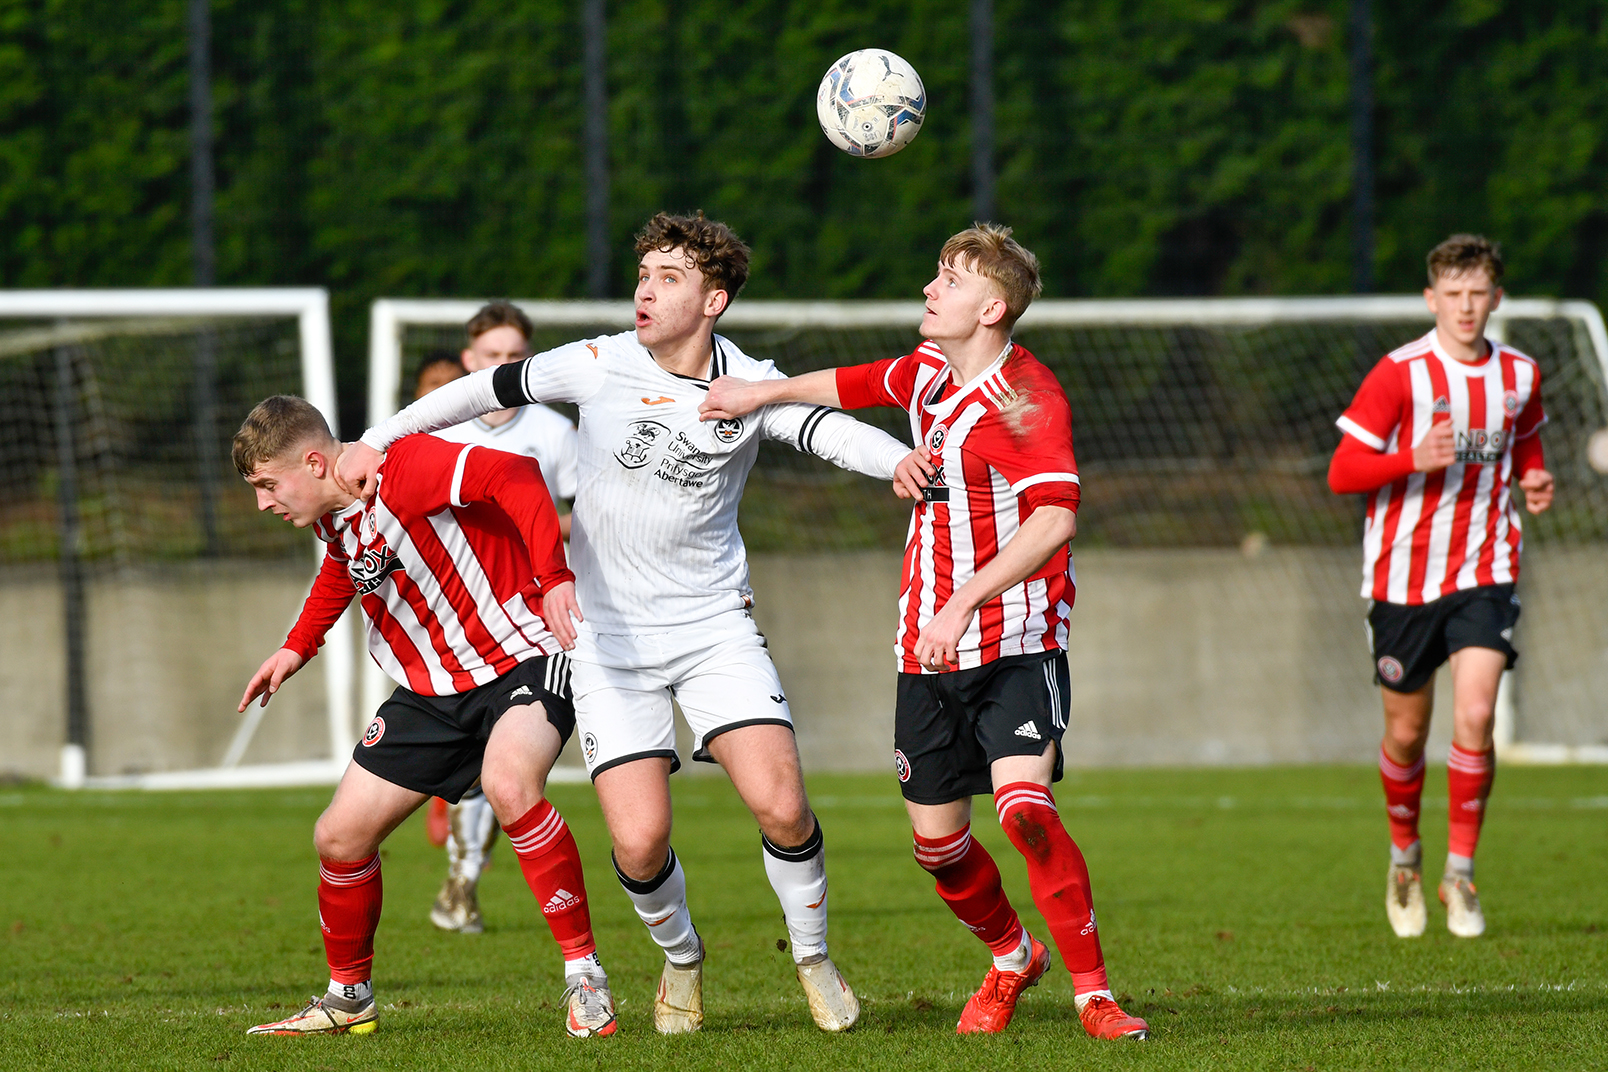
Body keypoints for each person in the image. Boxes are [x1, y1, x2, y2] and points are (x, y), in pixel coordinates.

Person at [337, 212, 923, 1034]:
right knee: (642, 845)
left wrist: (894, 458)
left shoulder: (748, 382)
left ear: (714, 299)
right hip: (607, 645)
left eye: (670, 278)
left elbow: (820, 428)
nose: (646, 290)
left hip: (715, 626)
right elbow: (483, 390)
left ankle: (813, 956)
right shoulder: (599, 363)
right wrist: (376, 437)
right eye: (643, 273)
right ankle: (682, 960)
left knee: (782, 805)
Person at [698, 223, 1149, 1041]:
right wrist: (755, 396)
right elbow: (849, 383)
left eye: (949, 278)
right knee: (939, 853)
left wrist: (965, 602)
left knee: (1025, 812)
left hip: (1014, 642)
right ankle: (1013, 957)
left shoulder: (1028, 398)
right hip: (925, 651)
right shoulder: (930, 374)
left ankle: (1095, 996)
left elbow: (1053, 521)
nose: (929, 289)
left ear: (993, 306)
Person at [231, 396, 616, 1038]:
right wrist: (297, 646)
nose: (265, 503)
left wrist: (552, 576)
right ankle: (348, 996)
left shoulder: (403, 467)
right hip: (428, 693)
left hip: (518, 658)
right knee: (339, 838)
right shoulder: (336, 514)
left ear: (315, 461)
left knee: (510, 786)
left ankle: (587, 978)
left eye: (270, 485)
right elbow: (345, 571)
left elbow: (516, 476)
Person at [1326, 234, 1552, 939]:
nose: (1465, 306)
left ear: (1496, 298)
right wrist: (1408, 458)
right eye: (1452, 295)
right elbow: (1341, 473)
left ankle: (1459, 872)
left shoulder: (1520, 373)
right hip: (1403, 577)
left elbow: (1525, 446)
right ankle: (1405, 858)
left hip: (1485, 569)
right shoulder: (1400, 374)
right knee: (1405, 732)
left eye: (1477, 293)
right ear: (1432, 299)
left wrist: (1534, 478)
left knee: (1477, 715)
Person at [421, 304, 583, 935]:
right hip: (458, 614)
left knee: (507, 760)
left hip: (540, 612)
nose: (502, 366)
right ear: (469, 362)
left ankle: (461, 882)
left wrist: (534, 530)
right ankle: (460, 867)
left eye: (514, 355)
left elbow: (590, 513)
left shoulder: (552, 431)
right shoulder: (442, 427)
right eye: (491, 356)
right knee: (475, 761)